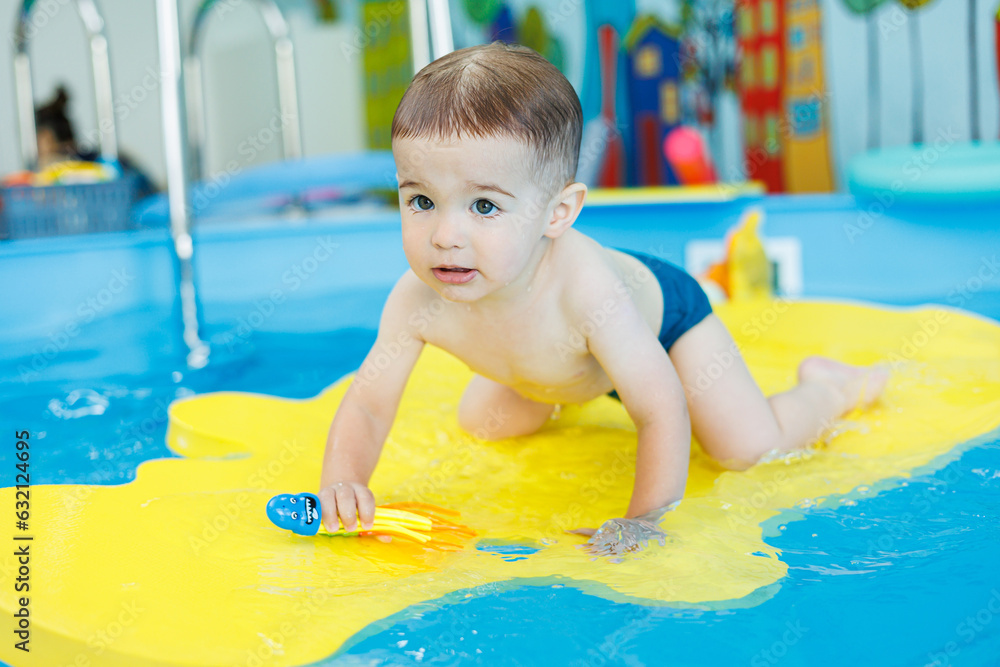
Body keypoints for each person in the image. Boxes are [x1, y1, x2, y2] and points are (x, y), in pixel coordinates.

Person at [318, 42, 888, 556]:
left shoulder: (587, 290)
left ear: (558, 213)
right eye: (420, 201)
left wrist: (644, 520)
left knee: (747, 447)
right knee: (486, 421)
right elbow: (369, 403)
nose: (445, 236)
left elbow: (659, 406)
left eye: (484, 207)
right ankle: (562, 387)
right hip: (564, 356)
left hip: (664, 323)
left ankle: (828, 387)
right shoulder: (418, 297)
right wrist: (344, 481)